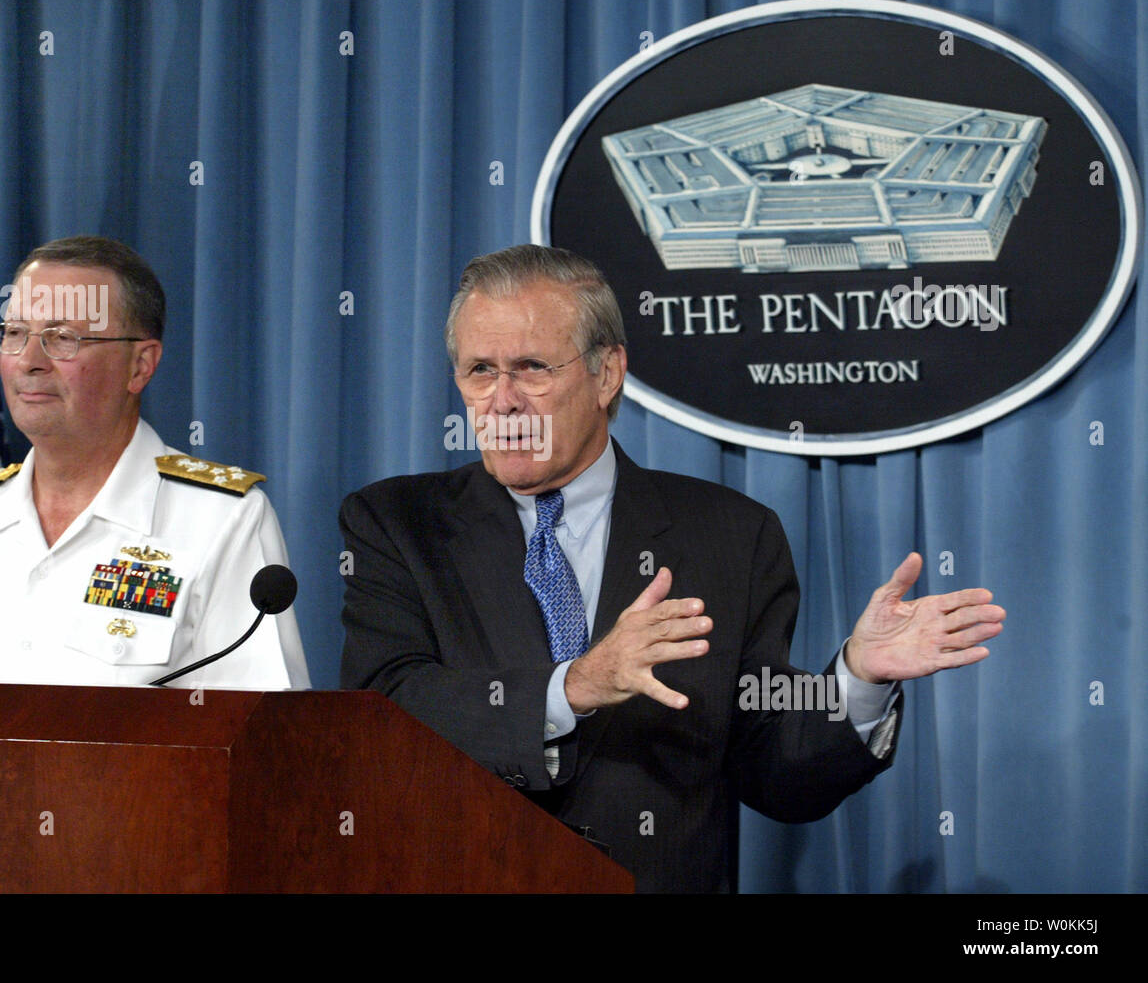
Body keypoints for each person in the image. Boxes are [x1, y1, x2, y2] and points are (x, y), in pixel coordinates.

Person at [339, 244, 1004, 892]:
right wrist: (575, 686)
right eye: (480, 370)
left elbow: (774, 767)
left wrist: (856, 678)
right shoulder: (398, 523)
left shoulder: (731, 536)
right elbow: (385, 713)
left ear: (607, 374)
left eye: (532, 367)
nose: (502, 401)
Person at [0, 236, 309, 691]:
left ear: (140, 366)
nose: (28, 361)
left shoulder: (223, 520)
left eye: (62, 338)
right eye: (14, 334)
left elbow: (261, 739)